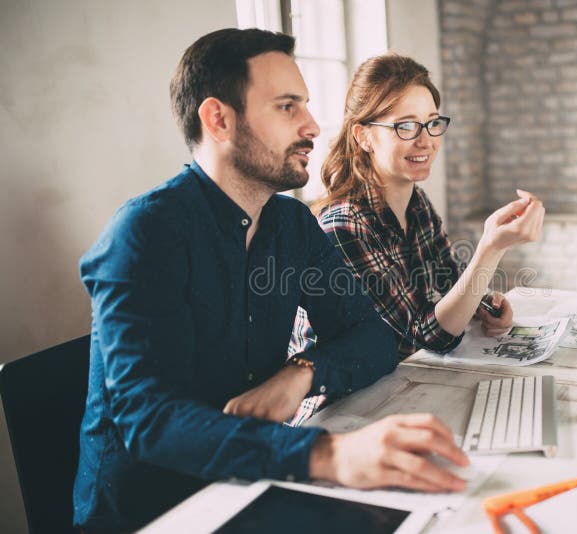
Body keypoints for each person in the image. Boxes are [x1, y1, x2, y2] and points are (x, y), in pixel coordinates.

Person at [74, 30, 468, 533]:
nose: (312, 125)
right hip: (158, 512)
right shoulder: (144, 233)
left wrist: (303, 372)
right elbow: (151, 420)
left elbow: (371, 336)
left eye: (305, 104)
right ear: (219, 119)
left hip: (258, 478)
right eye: (287, 107)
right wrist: (326, 454)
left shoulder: (290, 222)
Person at [294, 53, 544, 365]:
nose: (426, 141)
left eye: (432, 122)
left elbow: (449, 281)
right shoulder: (344, 226)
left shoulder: (417, 203)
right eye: (406, 126)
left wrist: (484, 306)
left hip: (398, 376)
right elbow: (428, 336)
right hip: (340, 392)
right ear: (364, 137)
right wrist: (492, 248)